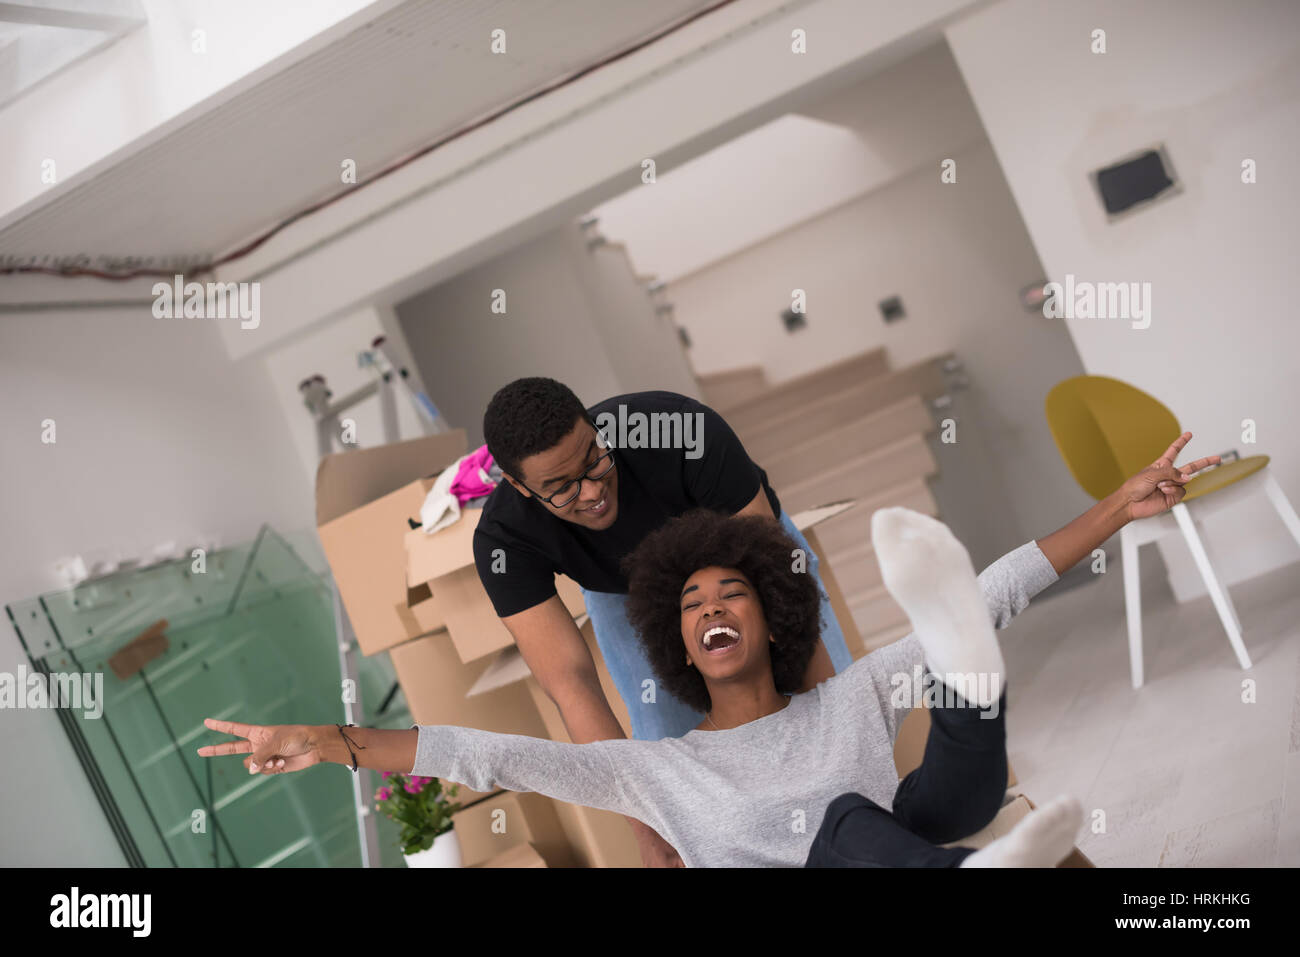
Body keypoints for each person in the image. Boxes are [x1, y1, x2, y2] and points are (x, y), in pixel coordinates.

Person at [196, 431, 1220, 866]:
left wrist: (1118, 508)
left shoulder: (842, 702)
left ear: (772, 619)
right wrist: (326, 739)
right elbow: (488, 754)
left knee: (932, 728)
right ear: (676, 643)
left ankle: (964, 686)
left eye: (735, 589)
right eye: (692, 604)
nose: (714, 607)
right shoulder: (658, 772)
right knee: (850, 829)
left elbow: (1001, 586)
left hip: (899, 839)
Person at [469, 377, 854, 865]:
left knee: (822, 725)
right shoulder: (503, 539)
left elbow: (779, 586)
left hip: (745, 558)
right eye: (562, 489)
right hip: (625, 590)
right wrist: (650, 833)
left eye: (594, 460)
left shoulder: (681, 429)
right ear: (518, 486)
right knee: (679, 767)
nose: (591, 493)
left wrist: (836, 754)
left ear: (594, 424)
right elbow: (572, 687)